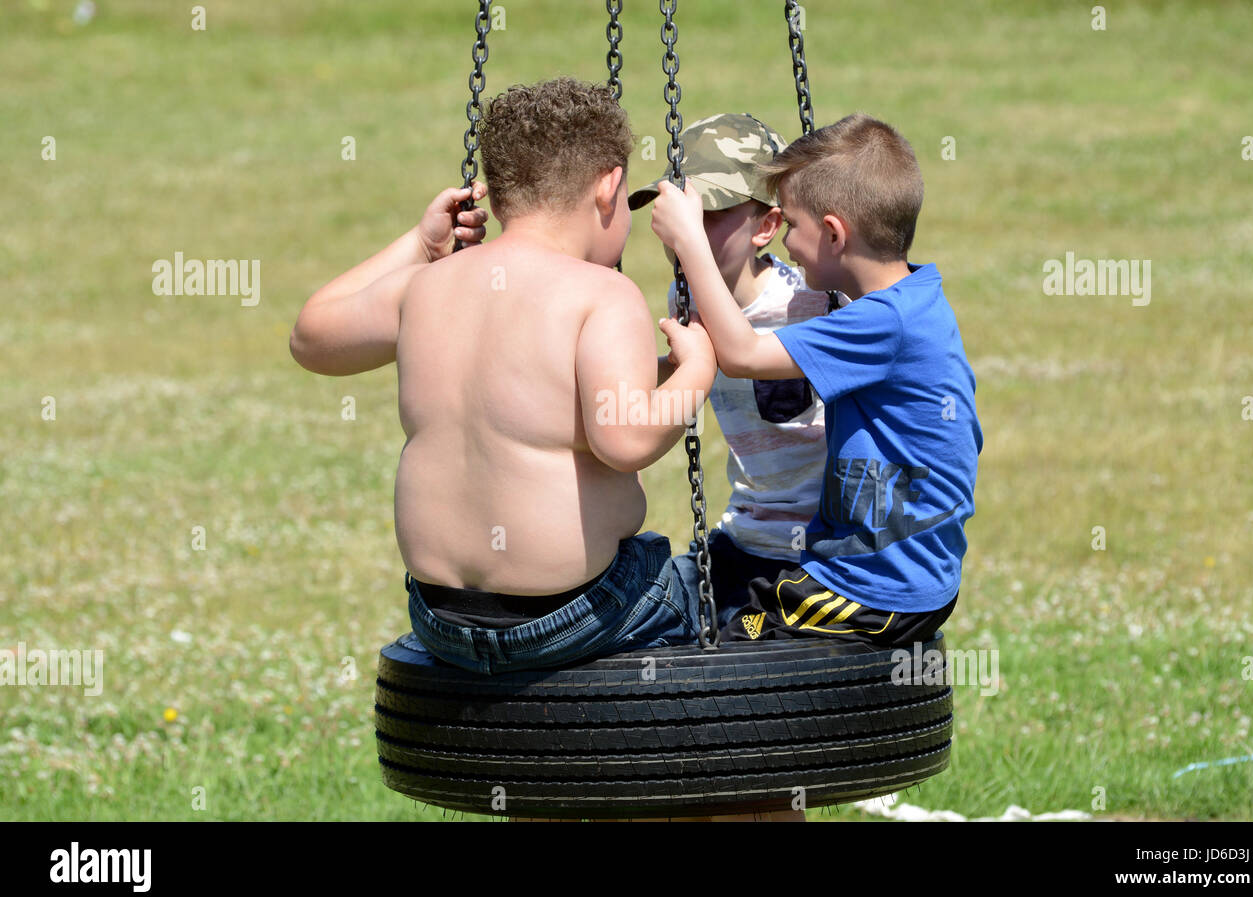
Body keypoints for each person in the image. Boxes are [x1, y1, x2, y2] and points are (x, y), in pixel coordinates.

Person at [290, 77, 717, 674]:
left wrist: (418, 245)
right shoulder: (603, 294)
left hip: (438, 616)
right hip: (568, 616)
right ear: (609, 187)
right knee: (703, 583)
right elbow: (626, 439)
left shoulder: (428, 287)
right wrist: (696, 370)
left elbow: (312, 337)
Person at [651, 113, 982, 648]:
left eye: (795, 228)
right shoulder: (905, 304)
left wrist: (690, 242)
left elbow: (740, 353)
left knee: (734, 644)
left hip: (876, 585)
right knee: (709, 609)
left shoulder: (881, 322)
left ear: (832, 233)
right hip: (878, 568)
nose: (788, 243)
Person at [628, 112, 847, 630]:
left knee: (746, 659)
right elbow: (686, 380)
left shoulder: (811, 302)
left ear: (768, 226)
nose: (685, 233)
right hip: (742, 537)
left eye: (709, 213)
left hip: (812, 555)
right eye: (678, 210)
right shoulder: (684, 300)